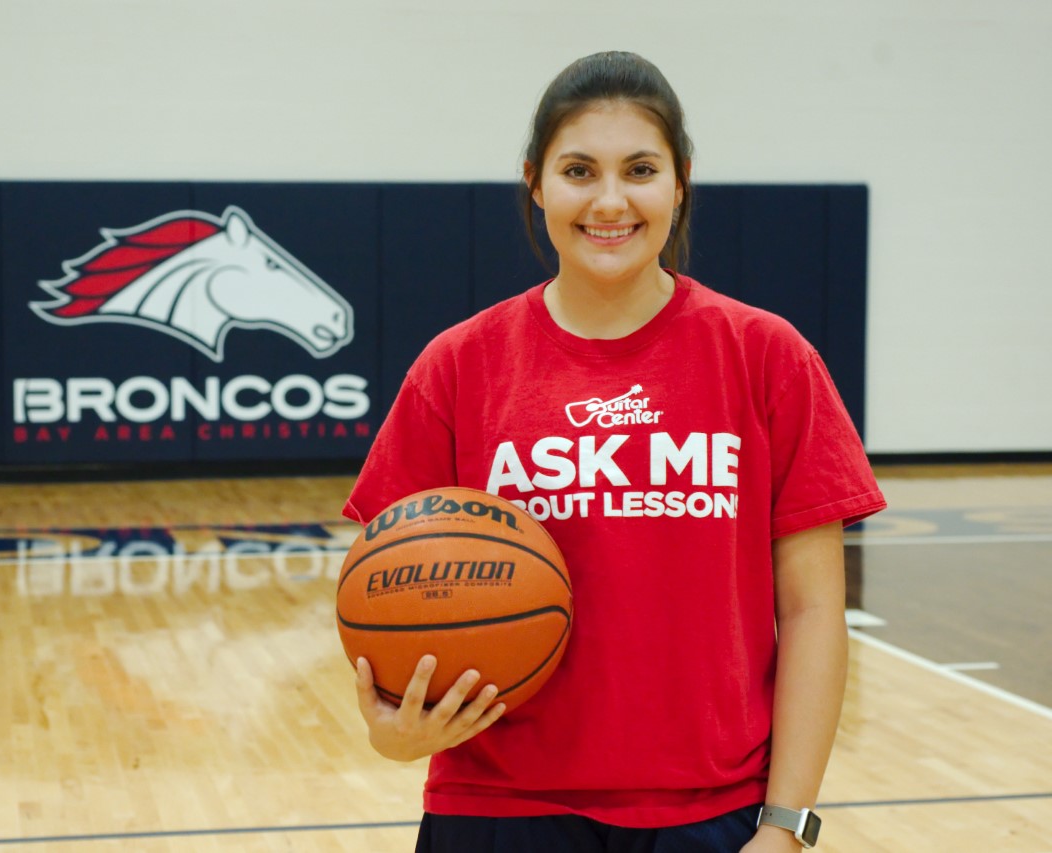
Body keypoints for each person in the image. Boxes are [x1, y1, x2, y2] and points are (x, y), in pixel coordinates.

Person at [341, 50, 886, 852]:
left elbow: (811, 612)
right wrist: (393, 727)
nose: (609, 200)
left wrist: (787, 825)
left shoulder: (768, 357)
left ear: (680, 181)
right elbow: (384, 586)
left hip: (716, 811)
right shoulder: (459, 366)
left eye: (639, 169)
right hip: (496, 809)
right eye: (577, 170)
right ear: (535, 181)